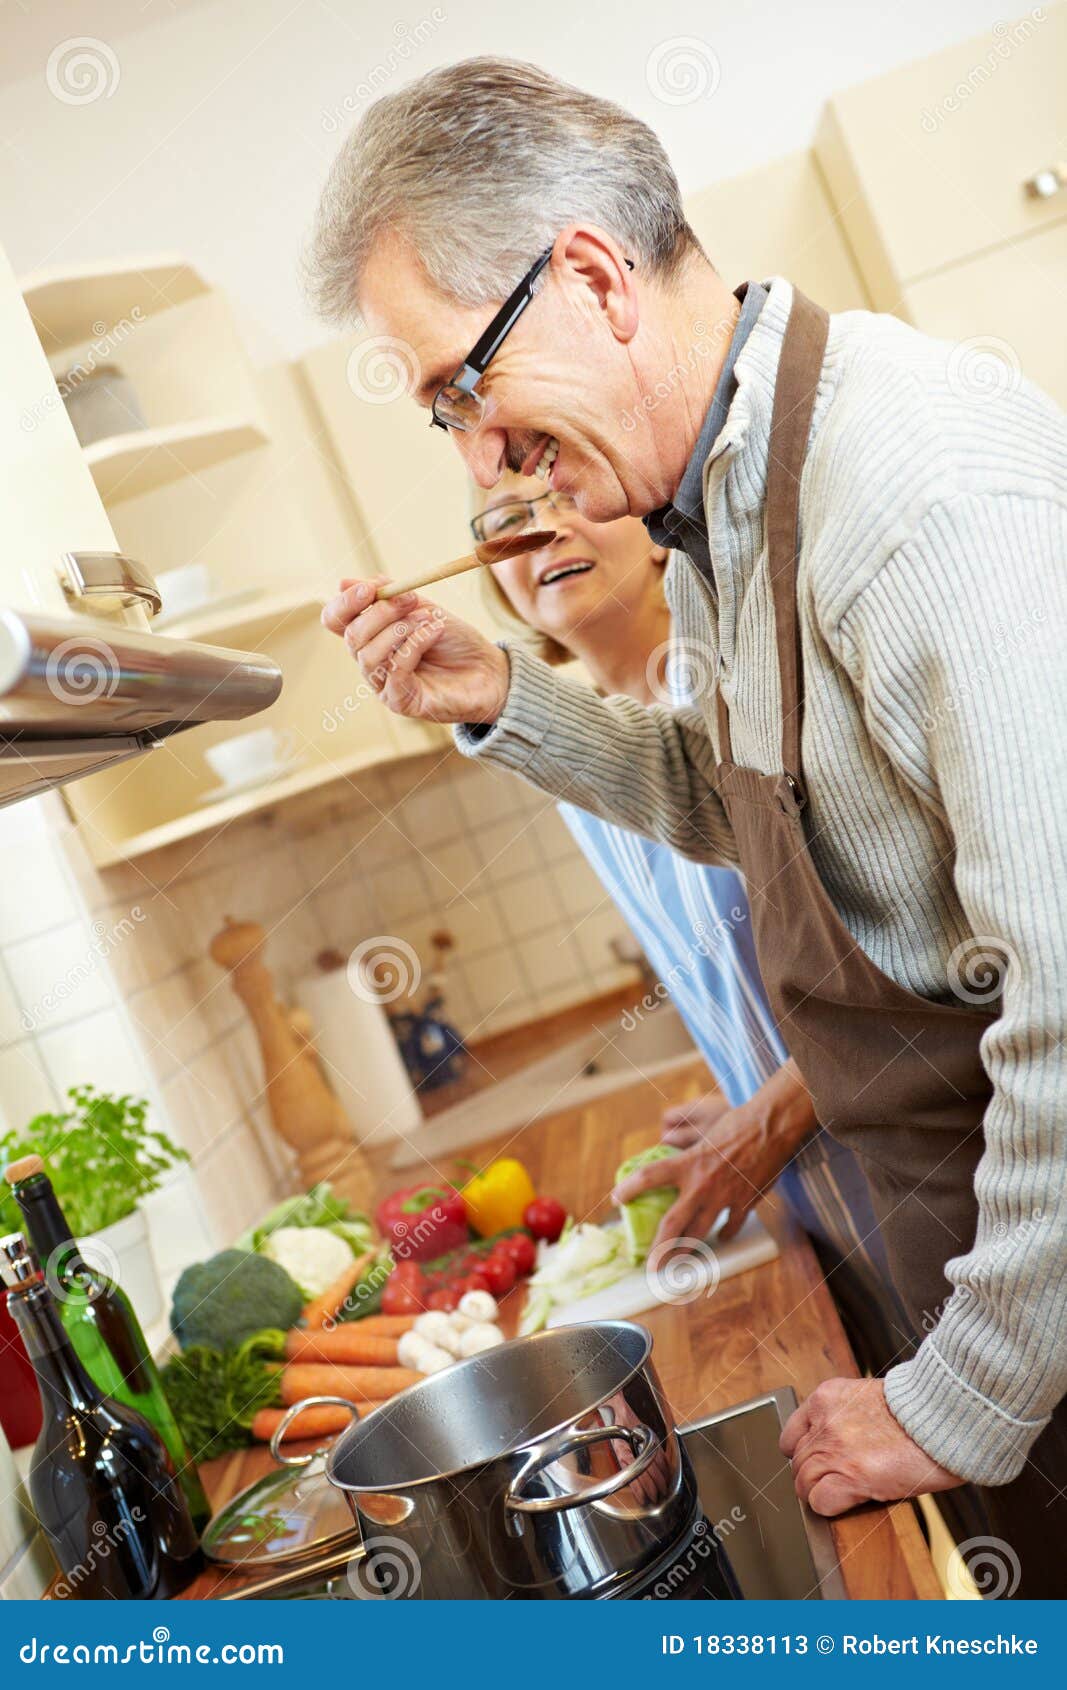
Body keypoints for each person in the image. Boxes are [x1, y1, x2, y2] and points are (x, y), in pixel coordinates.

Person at [309, 59, 1067, 1589]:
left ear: (590, 279)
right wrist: (502, 697)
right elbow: (740, 809)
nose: (476, 458)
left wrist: (958, 1397)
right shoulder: (727, 506)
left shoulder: (904, 490)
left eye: (461, 392)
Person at [475, 472, 916, 1381]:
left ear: (655, 528)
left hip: (927, 1173)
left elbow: (906, 945)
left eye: (566, 498)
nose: (540, 534)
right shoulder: (570, 767)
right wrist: (750, 1091)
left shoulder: (746, 690)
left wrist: (770, 1114)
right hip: (826, 1211)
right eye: (505, 522)